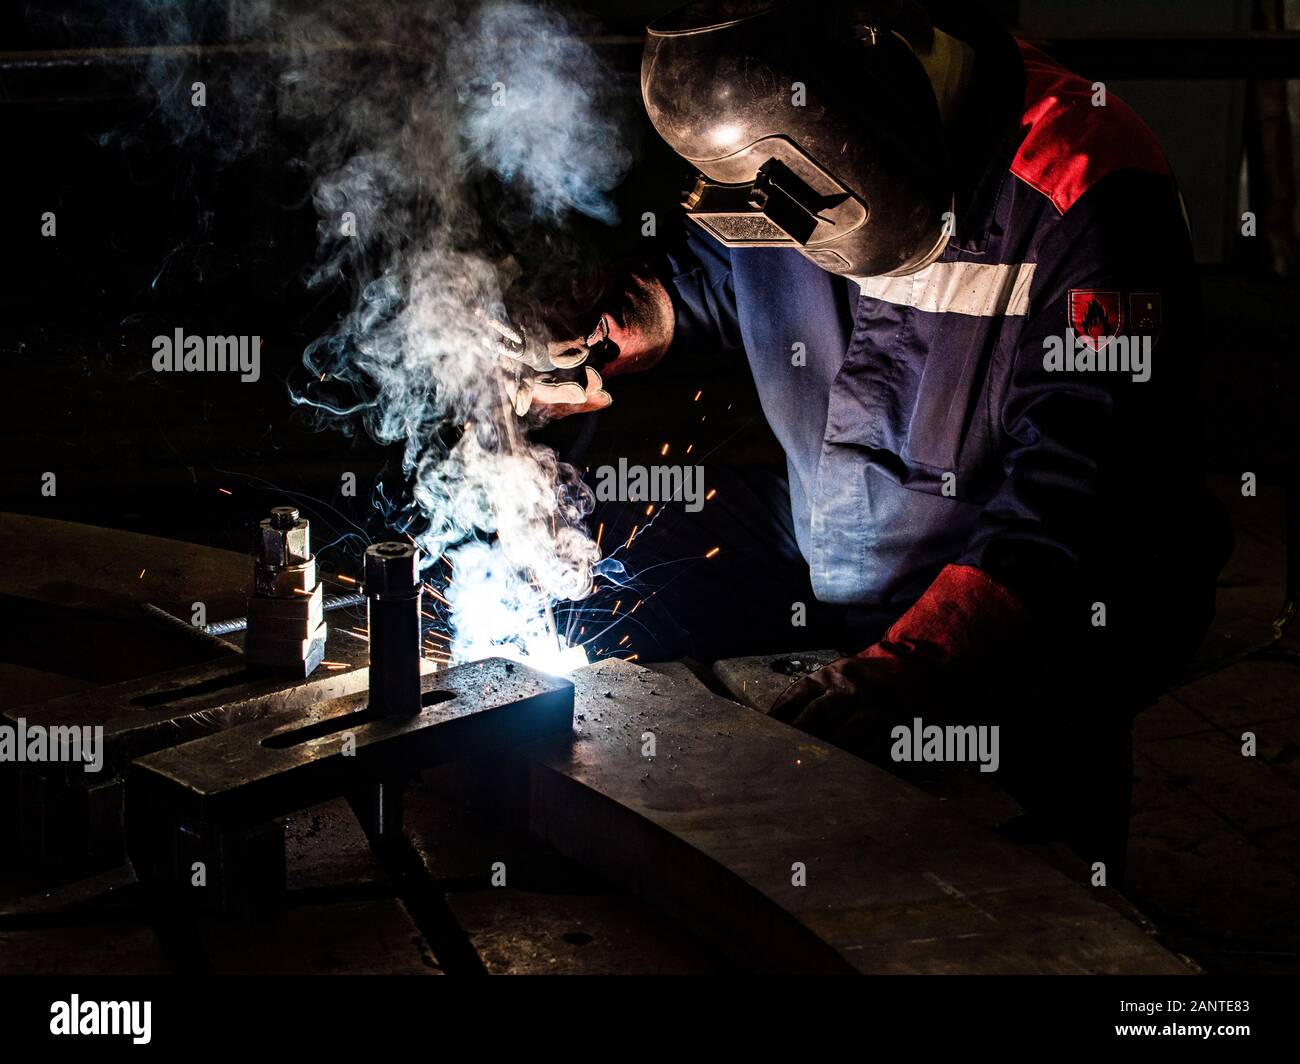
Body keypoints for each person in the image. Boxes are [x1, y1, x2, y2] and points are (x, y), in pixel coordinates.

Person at [514, 0, 1231, 877]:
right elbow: (727, 266)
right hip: (838, 520)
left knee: (1008, 862)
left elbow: (1087, 488)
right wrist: (634, 318)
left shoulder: (1087, 176)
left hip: (1036, 588)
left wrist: (919, 663)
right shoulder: (783, 134)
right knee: (622, 548)